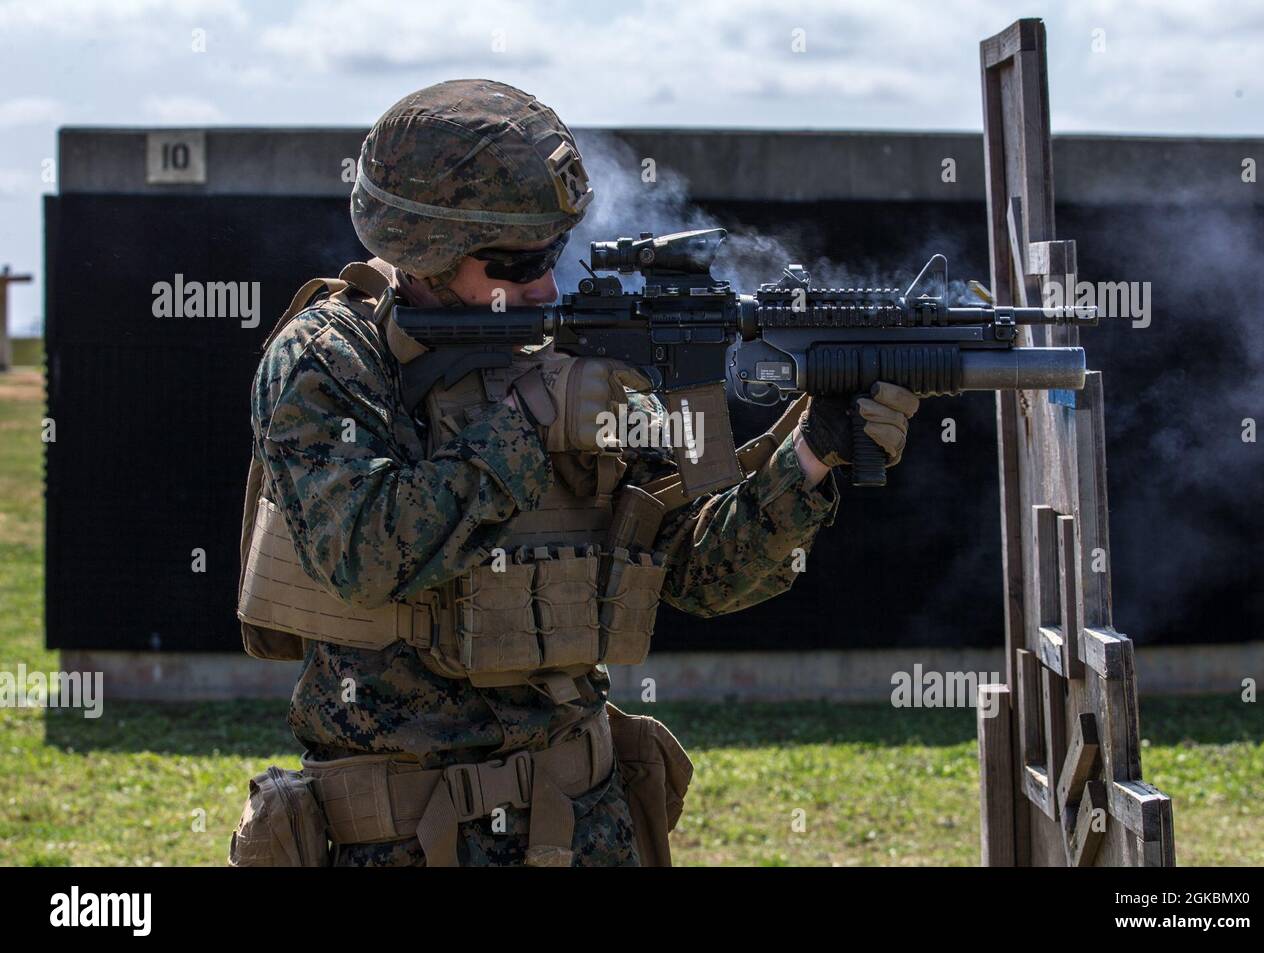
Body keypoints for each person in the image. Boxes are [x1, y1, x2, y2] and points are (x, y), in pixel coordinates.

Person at [233, 79, 920, 867]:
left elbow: (697, 576)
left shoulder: (567, 352)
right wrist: (532, 423)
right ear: (427, 248)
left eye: (552, 254)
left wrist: (809, 454)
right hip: (405, 839)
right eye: (519, 262)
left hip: (585, 826)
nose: (546, 286)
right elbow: (360, 555)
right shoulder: (331, 359)